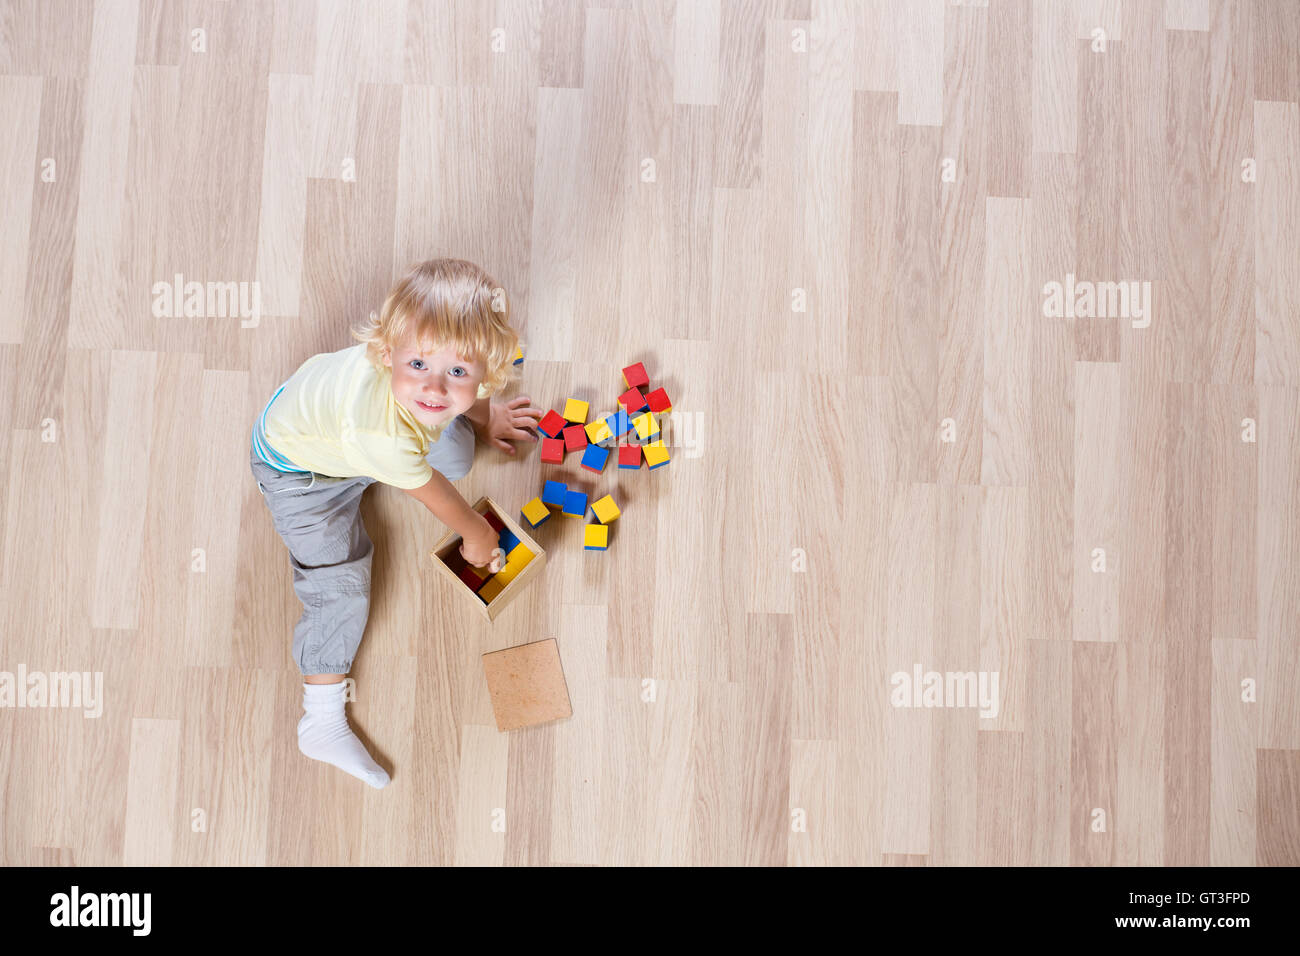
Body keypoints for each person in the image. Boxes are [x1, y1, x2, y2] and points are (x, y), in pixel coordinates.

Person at [248, 258, 542, 787]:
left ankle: (405, 443)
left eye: (458, 371)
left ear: (486, 373)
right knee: (340, 585)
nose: (434, 387)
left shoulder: (419, 386)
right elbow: (450, 511)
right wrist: (479, 540)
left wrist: (487, 415)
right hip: (302, 476)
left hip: (348, 442)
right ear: (387, 354)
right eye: (418, 366)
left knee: (453, 454)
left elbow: (459, 393)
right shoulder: (385, 437)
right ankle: (321, 718)